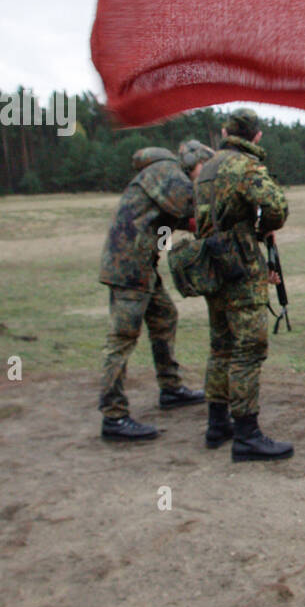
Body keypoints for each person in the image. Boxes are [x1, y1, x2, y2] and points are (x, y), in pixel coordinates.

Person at [97, 140, 215, 440]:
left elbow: (185, 220)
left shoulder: (168, 176)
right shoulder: (169, 173)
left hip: (140, 263)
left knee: (165, 316)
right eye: (205, 170)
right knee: (122, 338)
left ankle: (171, 388)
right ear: (193, 163)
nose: (205, 177)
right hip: (128, 265)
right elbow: (194, 210)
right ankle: (114, 416)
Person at [196, 111, 292, 461]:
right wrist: (261, 228)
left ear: (225, 132)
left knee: (220, 346)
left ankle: (217, 423)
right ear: (258, 136)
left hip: (212, 268)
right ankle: (247, 434)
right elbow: (277, 207)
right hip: (240, 267)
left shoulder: (207, 167)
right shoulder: (245, 166)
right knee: (248, 349)